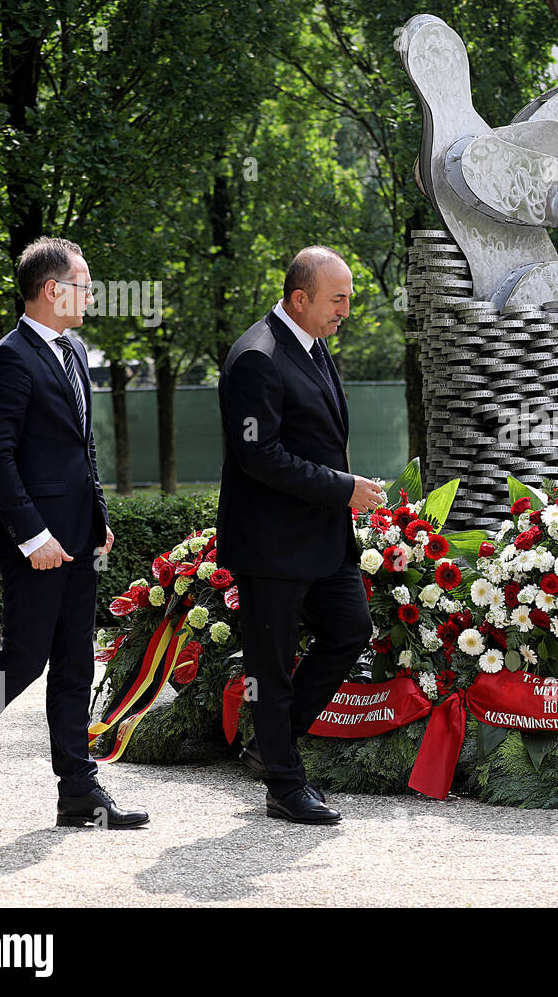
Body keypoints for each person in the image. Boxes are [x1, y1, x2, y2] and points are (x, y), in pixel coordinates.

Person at [0, 236, 148, 829]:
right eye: (85, 284)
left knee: (76, 663)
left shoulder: (72, 351)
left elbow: (81, 447)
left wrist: (98, 517)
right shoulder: (9, 357)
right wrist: (32, 536)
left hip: (79, 540)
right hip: (36, 544)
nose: (91, 294)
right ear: (52, 289)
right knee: (22, 660)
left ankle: (78, 790)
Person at [216, 245, 382, 825]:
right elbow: (258, 455)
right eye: (337, 300)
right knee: (271, 666)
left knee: (351, 629)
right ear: (300, 297)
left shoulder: (313, 345)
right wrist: (344, 488)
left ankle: (272, 742)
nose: (345, 311)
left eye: (348, 299)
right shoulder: (256, 357)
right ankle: (285, 785)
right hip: (272, 544)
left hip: (322, 539)